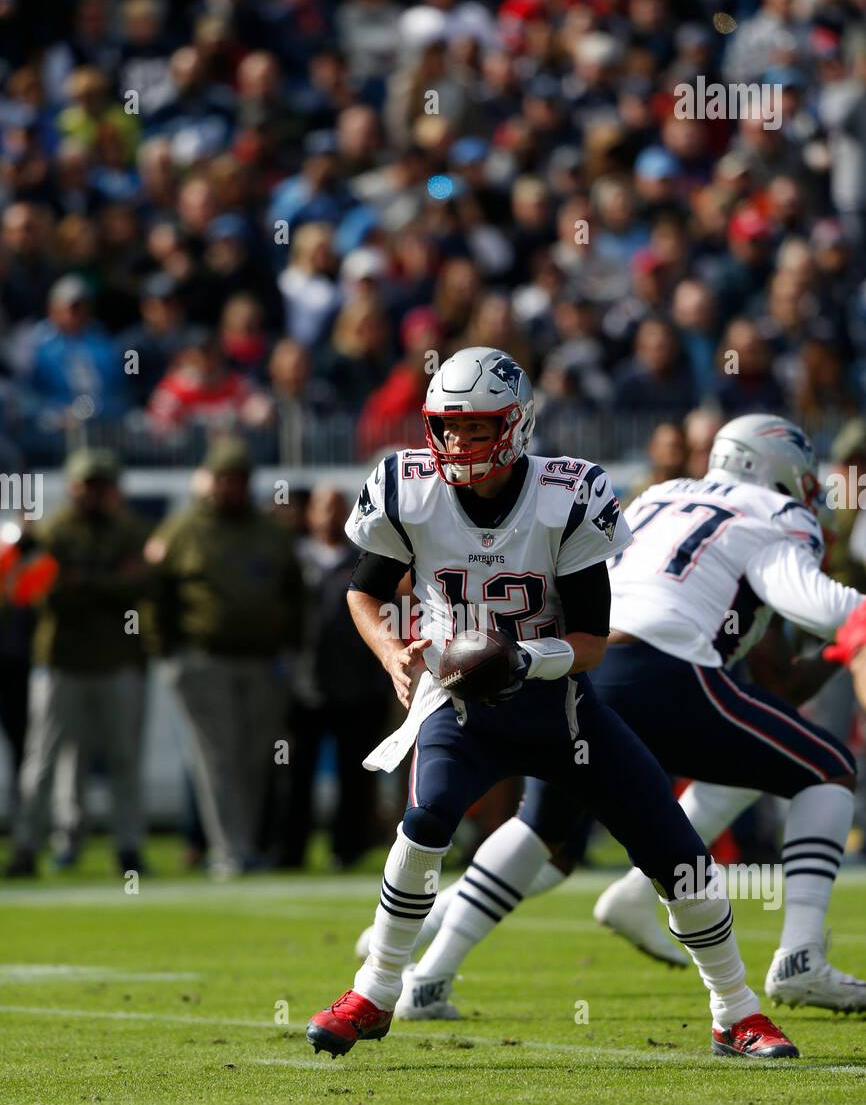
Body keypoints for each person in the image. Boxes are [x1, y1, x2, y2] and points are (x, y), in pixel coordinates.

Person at [307, 350, 797, 1061]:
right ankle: (375, 991)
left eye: (475, 430)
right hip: (461, 706)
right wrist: (391, 651)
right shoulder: (405, 486)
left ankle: (736, 1012)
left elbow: (594, 641)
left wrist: (518, 659)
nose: (456, 446)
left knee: (678, 855)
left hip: (560, 710)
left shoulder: (567, 495)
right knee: (424, 824)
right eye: (446, 429)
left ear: (514, 428)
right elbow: (365, 590)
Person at [392, 414, 866, 1019]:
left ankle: (427, 980)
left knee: (543, 831)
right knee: (826, 769)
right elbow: (813, 601)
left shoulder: (660, 497)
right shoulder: (772, 515)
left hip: (584, 667)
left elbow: (775, 676)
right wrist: (853, 623)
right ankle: (800, 956)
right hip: (665, 669)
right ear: (778, 469)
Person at [145, 437, 302, 878]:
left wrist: (291, 649)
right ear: (209, 481)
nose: (230, 487)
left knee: (255, 757)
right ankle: (229, 849)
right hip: (202, 659)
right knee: (217, 757)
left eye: (238, 479)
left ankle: (245, 844)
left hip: (263, 661)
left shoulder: (271, 531)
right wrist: (167, 653)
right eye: (223, 478)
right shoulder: (182, 529)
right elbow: (154, 592)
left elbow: (294, 595)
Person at [7, 449, 150, 877]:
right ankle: (27, 846)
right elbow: (42, 593)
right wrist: (106, 582)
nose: (93, 493)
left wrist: (83, 581)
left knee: (124, 759)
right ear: (73, 487)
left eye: (101, 485)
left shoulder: (128, 531)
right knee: (44, 759)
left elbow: (139, 587)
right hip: (62, 661)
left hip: (113, 660)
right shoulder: (55, 531)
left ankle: (128, 849)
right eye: (87, 485)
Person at [282, 484, 391, 868]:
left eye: (337, 508)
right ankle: (289, 850)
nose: (329, 516)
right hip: (303, 685)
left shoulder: (366, 560)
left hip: (358, 686)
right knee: (294, 775)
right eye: (322, 508)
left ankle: (347, 849)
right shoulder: (292, 560)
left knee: (355, 776)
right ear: (309, 514)